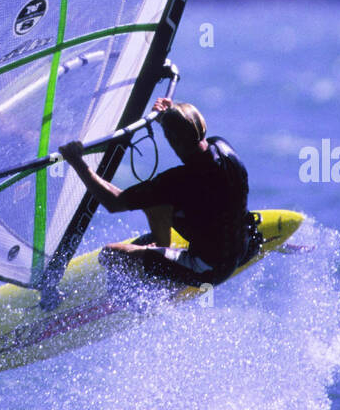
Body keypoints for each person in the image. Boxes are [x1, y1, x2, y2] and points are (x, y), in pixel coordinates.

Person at [59, 98, 260, 294]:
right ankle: (162, 252)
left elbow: (114, 202)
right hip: (243, 244)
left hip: (207, 269)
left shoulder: (176, 182)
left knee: (111, 255)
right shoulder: (224, 149)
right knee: (156, 204)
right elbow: (186, 133)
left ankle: (153, 291)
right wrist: (168, 117)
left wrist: (77, 163)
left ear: (173, 140)